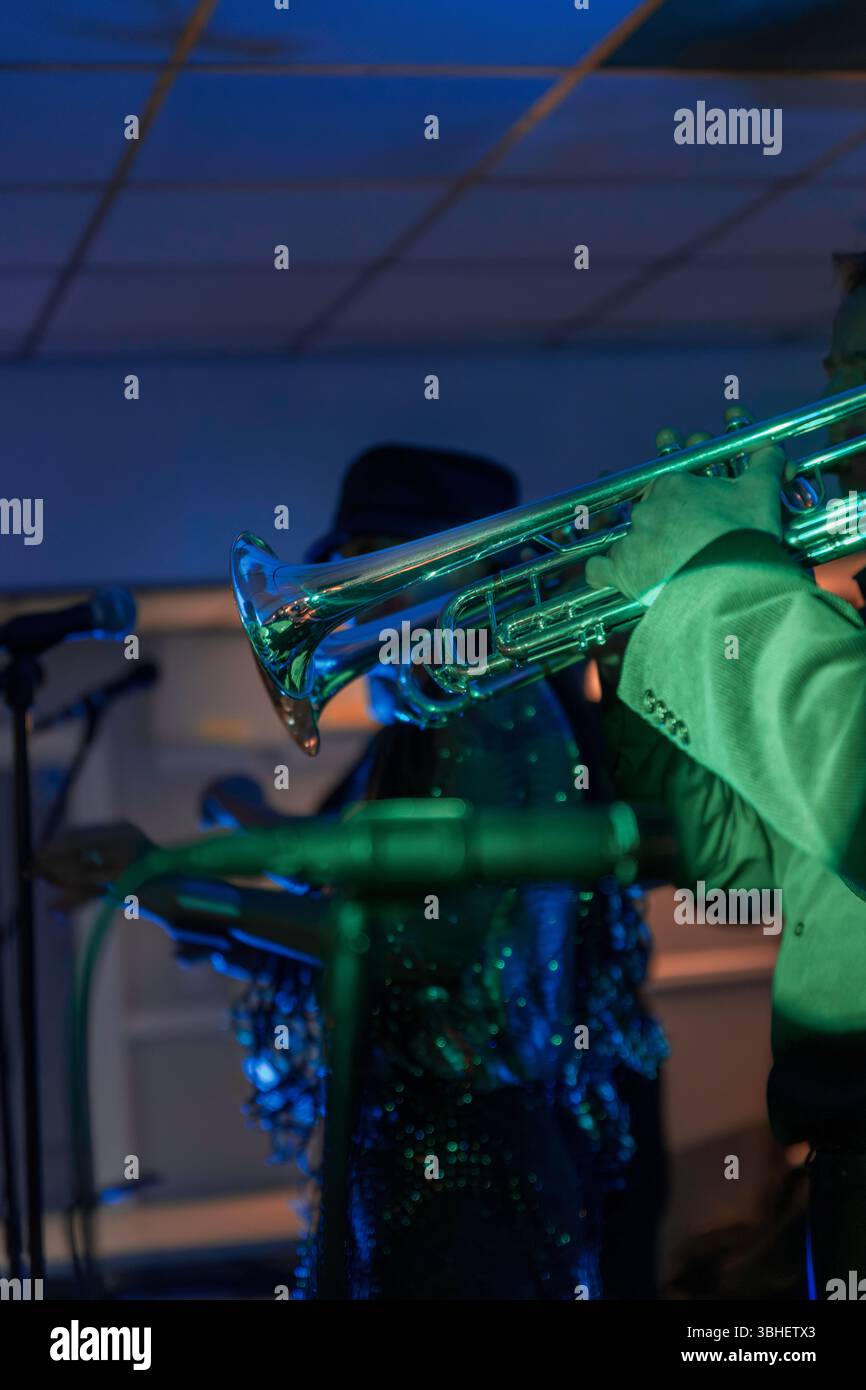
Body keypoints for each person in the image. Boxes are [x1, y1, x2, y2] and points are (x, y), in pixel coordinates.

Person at [583, 336, 866, 1294]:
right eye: (838, 364)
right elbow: (745, 875)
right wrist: (643, 649)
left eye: (864, 362)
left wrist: (719, 582)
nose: (834, 400)